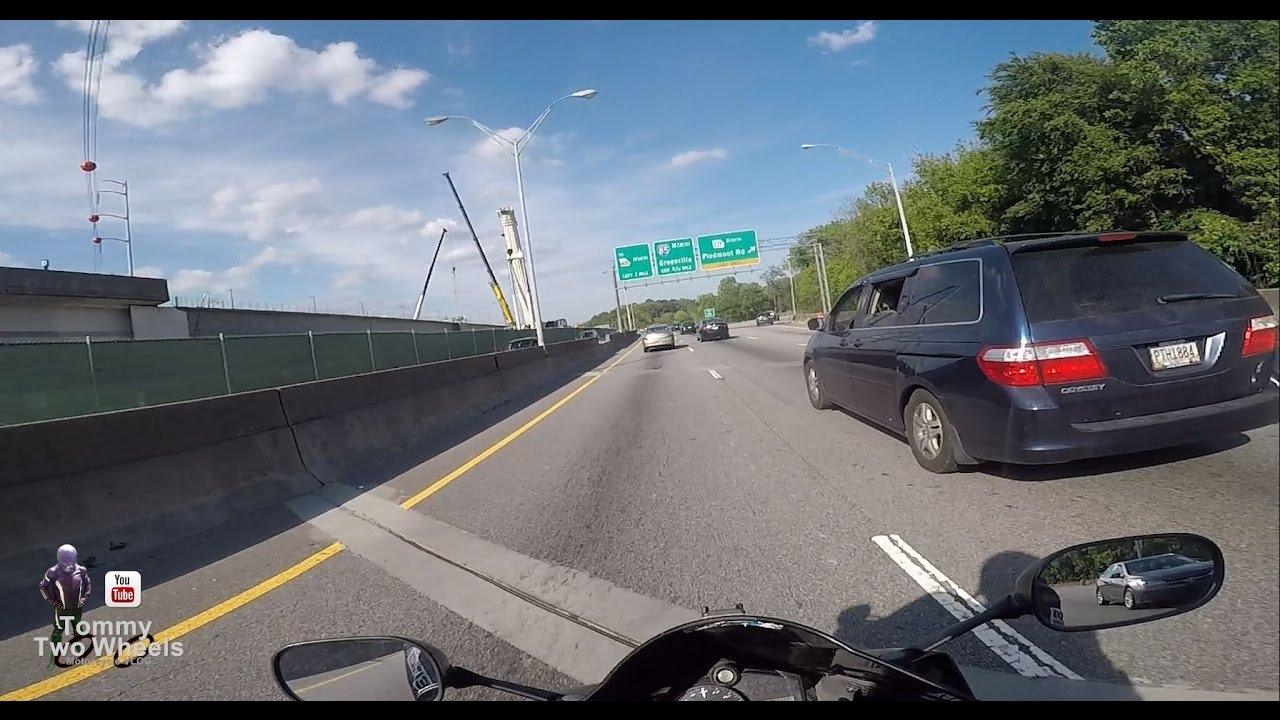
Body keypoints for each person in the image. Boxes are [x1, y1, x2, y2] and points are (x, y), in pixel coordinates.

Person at [39, 544, 92, 670]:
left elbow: (88, 585)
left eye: (70, 558)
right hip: (61, 609)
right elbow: (42, 586)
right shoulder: (53, 572)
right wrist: (51, 602)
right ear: (60, 558)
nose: (68, 561)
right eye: (65, 558)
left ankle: (78, 650)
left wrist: (84, 598)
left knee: (77, 627)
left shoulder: (81, 570)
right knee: (58, 632)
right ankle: (53, 658)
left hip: (76, 607)